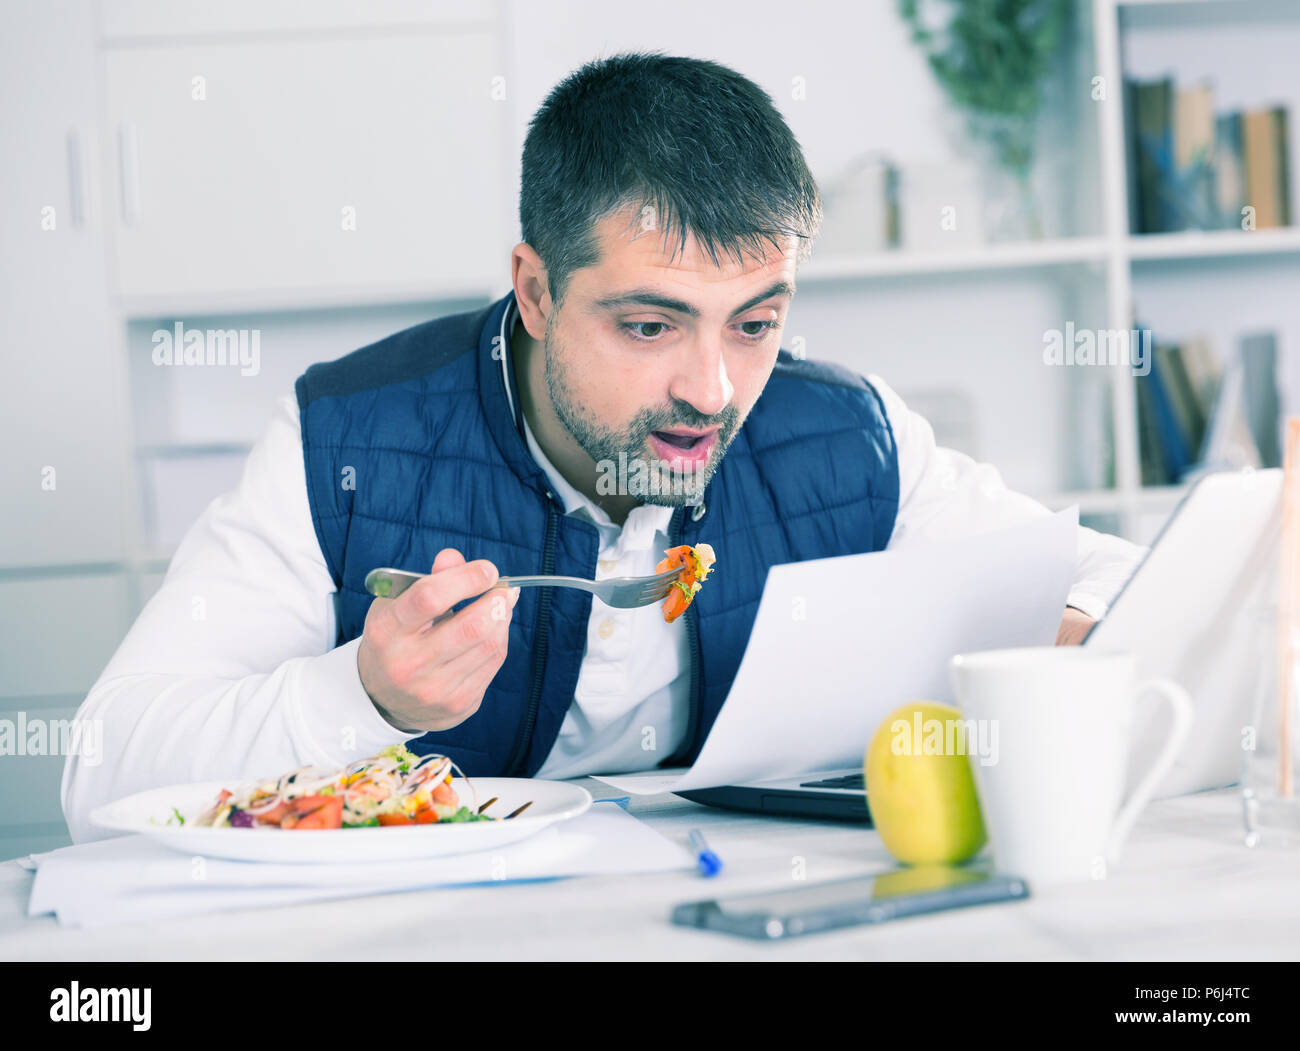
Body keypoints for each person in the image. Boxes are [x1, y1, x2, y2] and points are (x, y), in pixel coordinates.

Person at [62, 52, 1143, 842]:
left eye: (755, 323)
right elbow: (106, 764)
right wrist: (367, 695)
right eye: (648, 325)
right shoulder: (346, 440)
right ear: (534, 290)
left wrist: (1069, 636)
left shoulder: (850, 434)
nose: (710, 392)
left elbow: (1112, 581)